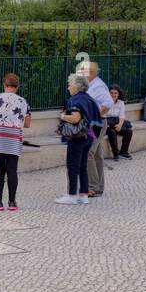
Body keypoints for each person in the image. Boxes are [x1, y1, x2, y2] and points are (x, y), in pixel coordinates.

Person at [0, 72, 31, 212]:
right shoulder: (23, 102)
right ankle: (12, 202)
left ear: (4, 85)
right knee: (12, 170)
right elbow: (27, 124)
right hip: (14, 138)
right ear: (17, 86)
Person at [55, 73, 101, 205]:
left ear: (76, 86)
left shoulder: (75, 99)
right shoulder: (89, 99)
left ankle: (71, 195)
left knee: (72, 166)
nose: (68, 87)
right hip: (89, 136)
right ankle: (84, 195)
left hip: (77, 137)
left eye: (70, 85)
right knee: (83, 166)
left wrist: (63, 116)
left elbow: (75, 118)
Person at [82, 62, 111, 196]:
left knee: (88, 152)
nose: (81, 73)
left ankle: (91, 186)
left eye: (83, 71)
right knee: (97, 154)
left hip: (97, 124)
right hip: (96, 123)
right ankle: (98, 186)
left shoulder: (98, 86)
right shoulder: (92, 85)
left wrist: (95, 116)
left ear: (92, 72)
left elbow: (108, 103)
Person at [103, 85, 133, 161]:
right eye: (111, 93)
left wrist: (119, 125)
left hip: (116, 122)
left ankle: (124, 152)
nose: (113, 95)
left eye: (115, 93)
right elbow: (103, 116)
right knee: (111, 131)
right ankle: (116, 154)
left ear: (118, 94)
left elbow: (122, 116)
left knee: (129, 131)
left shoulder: (120, 103)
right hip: (106, 124)